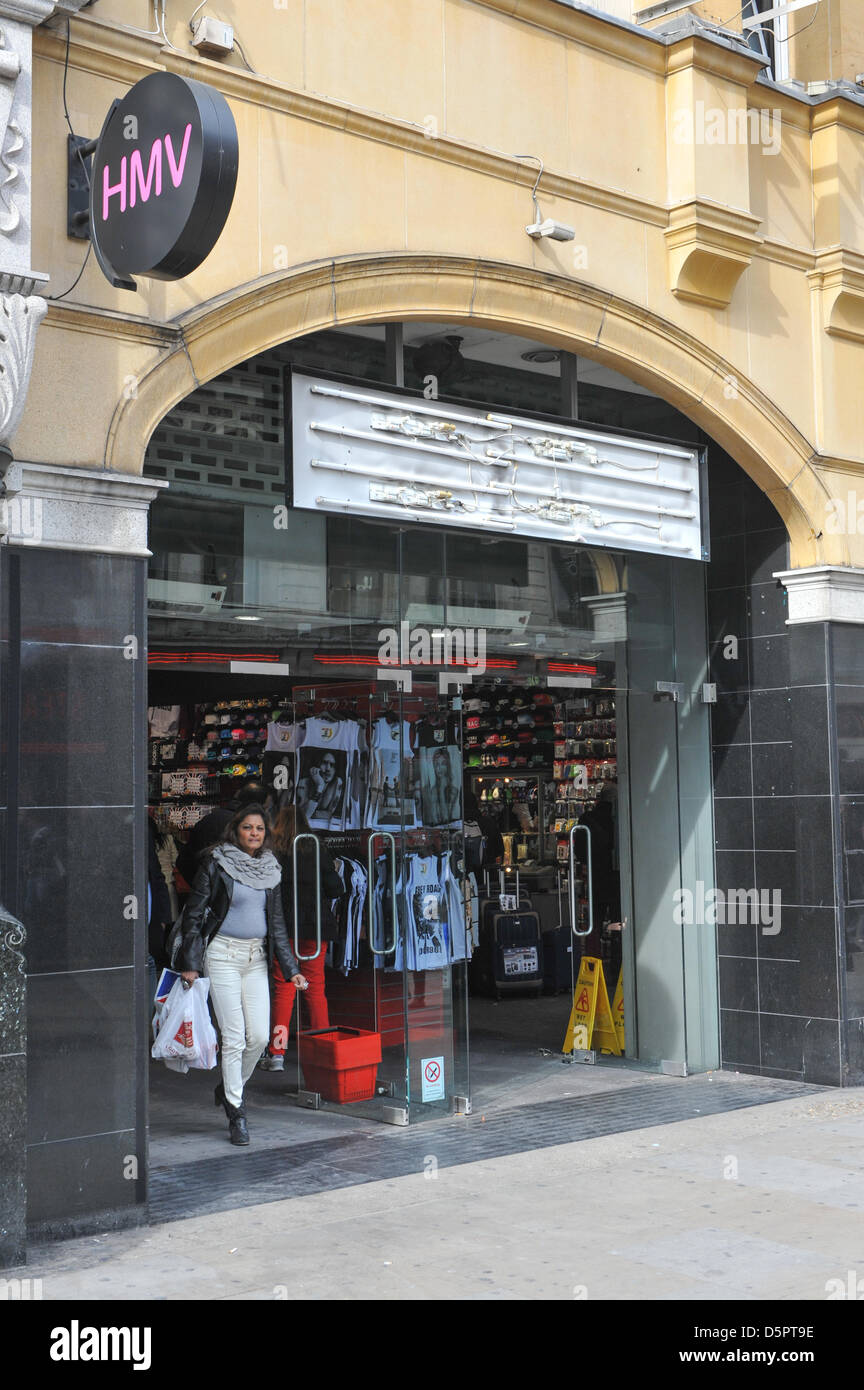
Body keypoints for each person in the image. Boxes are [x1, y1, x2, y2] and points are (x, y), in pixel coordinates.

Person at [176, 805, 307, 1145]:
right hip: (222, 956)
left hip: (256, 959)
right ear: (237, 830)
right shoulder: (216, 864)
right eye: (248, 828)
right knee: (234, 1038)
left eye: (259, 829)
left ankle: (227, 1087)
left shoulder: (271, 870)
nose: (254, 833)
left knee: (260, 1038)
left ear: (266, 834)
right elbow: (193, 915)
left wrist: (291, 969)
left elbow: (277, 925)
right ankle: (237, 1112)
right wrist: (190, 962)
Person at [260, 804, 346, 1070]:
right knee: (315, 989)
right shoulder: (315, 847)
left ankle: (277, 1052)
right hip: (313, 926)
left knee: (283, 990)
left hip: (284, 927)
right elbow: (336, 889)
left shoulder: (273, 851)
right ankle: (323, 1048)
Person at [174, 779, 267, 895]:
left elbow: (183, 861)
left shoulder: (209, 819)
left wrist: (201, 886)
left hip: (205, 892)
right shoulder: (247, 828)